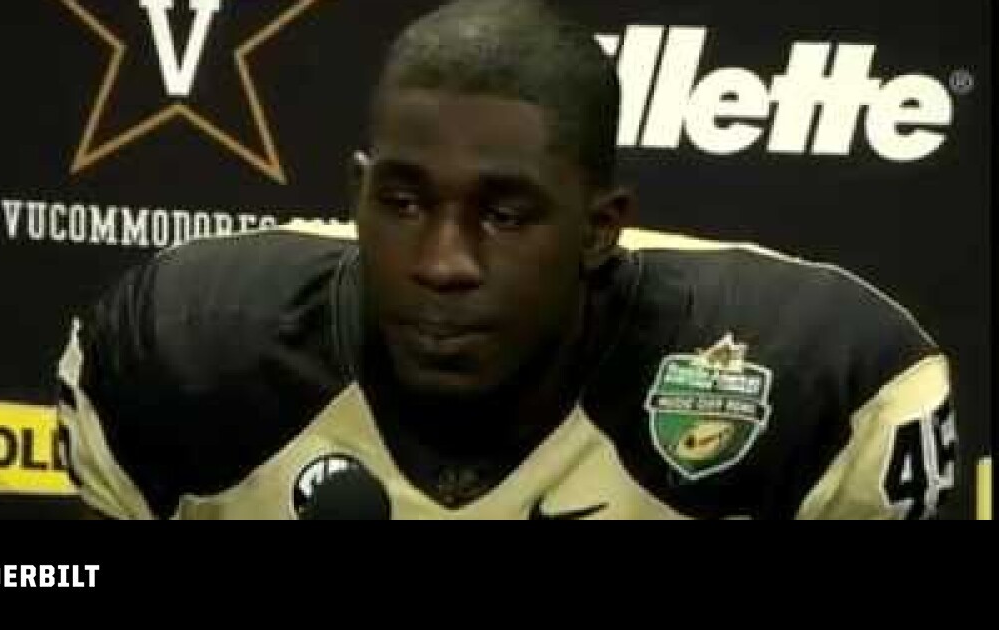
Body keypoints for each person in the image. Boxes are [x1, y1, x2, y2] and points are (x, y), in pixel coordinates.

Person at [53, 0, 959, 519]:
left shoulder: (824, 386)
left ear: (602, 228)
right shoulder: (180, 350)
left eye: (507, 214)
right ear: (358, 192)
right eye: (403, 203)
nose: (443, 263)